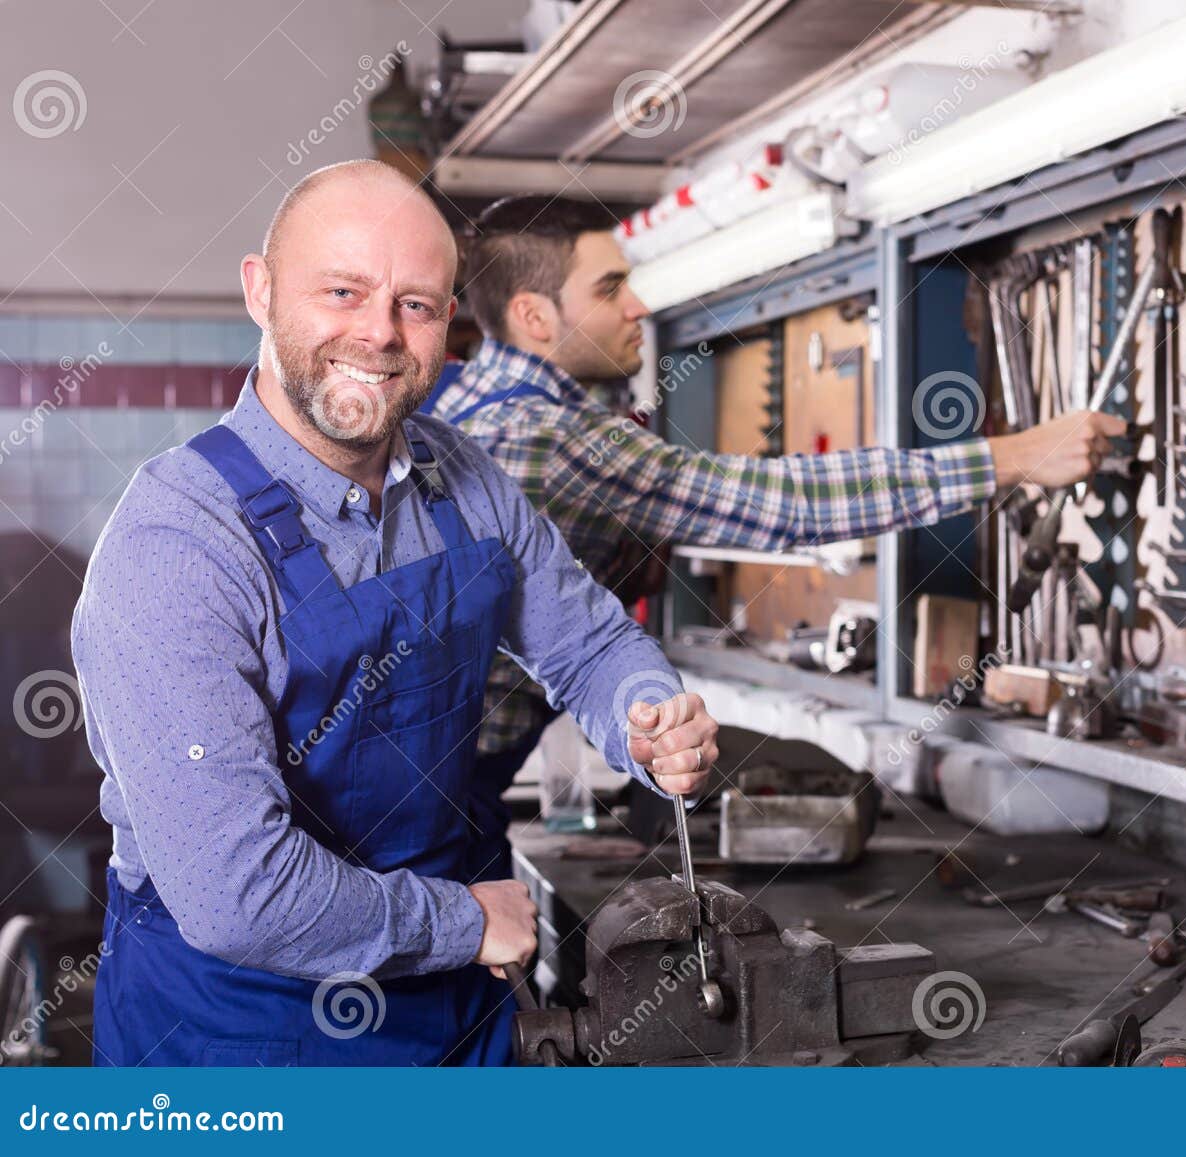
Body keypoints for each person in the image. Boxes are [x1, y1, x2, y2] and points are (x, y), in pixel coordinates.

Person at [70, 161, 717, 1067]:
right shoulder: (176, 547)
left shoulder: (467, 478)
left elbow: (592, 644)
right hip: (240, 1029)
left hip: (451, 1007)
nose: (378, 333)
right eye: (342, 291)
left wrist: (645, 717)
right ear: (260, 292)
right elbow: (234, 892)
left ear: (451, 325)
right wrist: (461, 919)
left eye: (417, 305)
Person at [430, 196, 1127, 848]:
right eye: (610, 289)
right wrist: (1017, 457)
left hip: (441, 783)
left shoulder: (463, 408)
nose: (638, 305)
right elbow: (785, 503)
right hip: (448, 803)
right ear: (534, 317)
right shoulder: (555, 438)